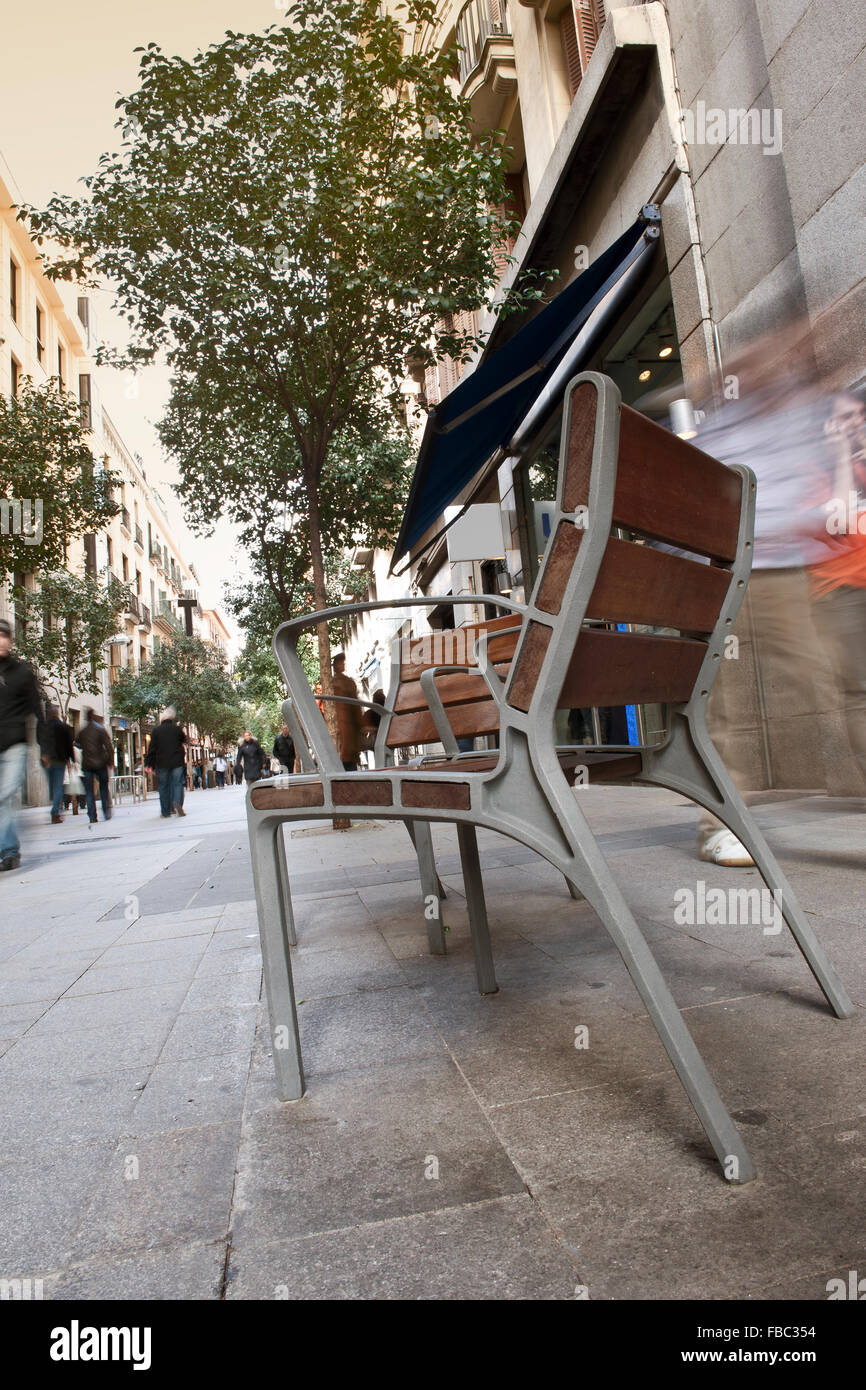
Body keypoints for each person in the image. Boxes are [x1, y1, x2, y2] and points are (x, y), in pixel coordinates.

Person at [807, 389, 866, 787]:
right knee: (861, 691)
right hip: (843, 593)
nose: (856, 421)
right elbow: (841, 521)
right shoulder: (817, 475)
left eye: (860, 414)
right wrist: (842, 455)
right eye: (845, 416)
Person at [0, 617, 44, 871]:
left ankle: (8, 851)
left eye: (4, 636)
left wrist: (45, 746)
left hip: (15, 743)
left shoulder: (22, 672)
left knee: (5, 796)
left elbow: (36, 709)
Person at [146, 706, 188, 818]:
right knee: (177, 784)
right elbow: (184, 740)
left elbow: (152, 748)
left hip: (162, 763)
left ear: (162, 718)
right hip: (177, 762)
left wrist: (149, 764)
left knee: (163, 786)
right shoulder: (177, 729)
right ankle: (178, 803)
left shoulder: (156, 730)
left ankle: (165, 811)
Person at [76, 707, 114, 825]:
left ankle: (92, 816)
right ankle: (106, 810)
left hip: (87, 764)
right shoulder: (100, 729)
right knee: (103, 788)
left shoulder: (82, 731)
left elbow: (77, 744)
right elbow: (108, 746)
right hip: (100, 763)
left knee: (89, 791)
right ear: (93, 716)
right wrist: (110, 762)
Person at [40, 703, 74, 824]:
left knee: (52, 787)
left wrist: (44, 755)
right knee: (58, 786)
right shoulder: (64, 727)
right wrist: (71, 760)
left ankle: (56, 809)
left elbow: (41, 741)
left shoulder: (43, 727)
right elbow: (69, 745)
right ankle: (55, 811)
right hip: (60, 761)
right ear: (57, 714)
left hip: (47, 760)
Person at [332, 653, 362, 771]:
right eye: (341, 662)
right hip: (346, 730)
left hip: (345, 731)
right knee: (348, 761)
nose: (343, 664)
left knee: (347, 760)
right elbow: (356, 707)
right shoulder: (346, 683)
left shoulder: (344, 682)